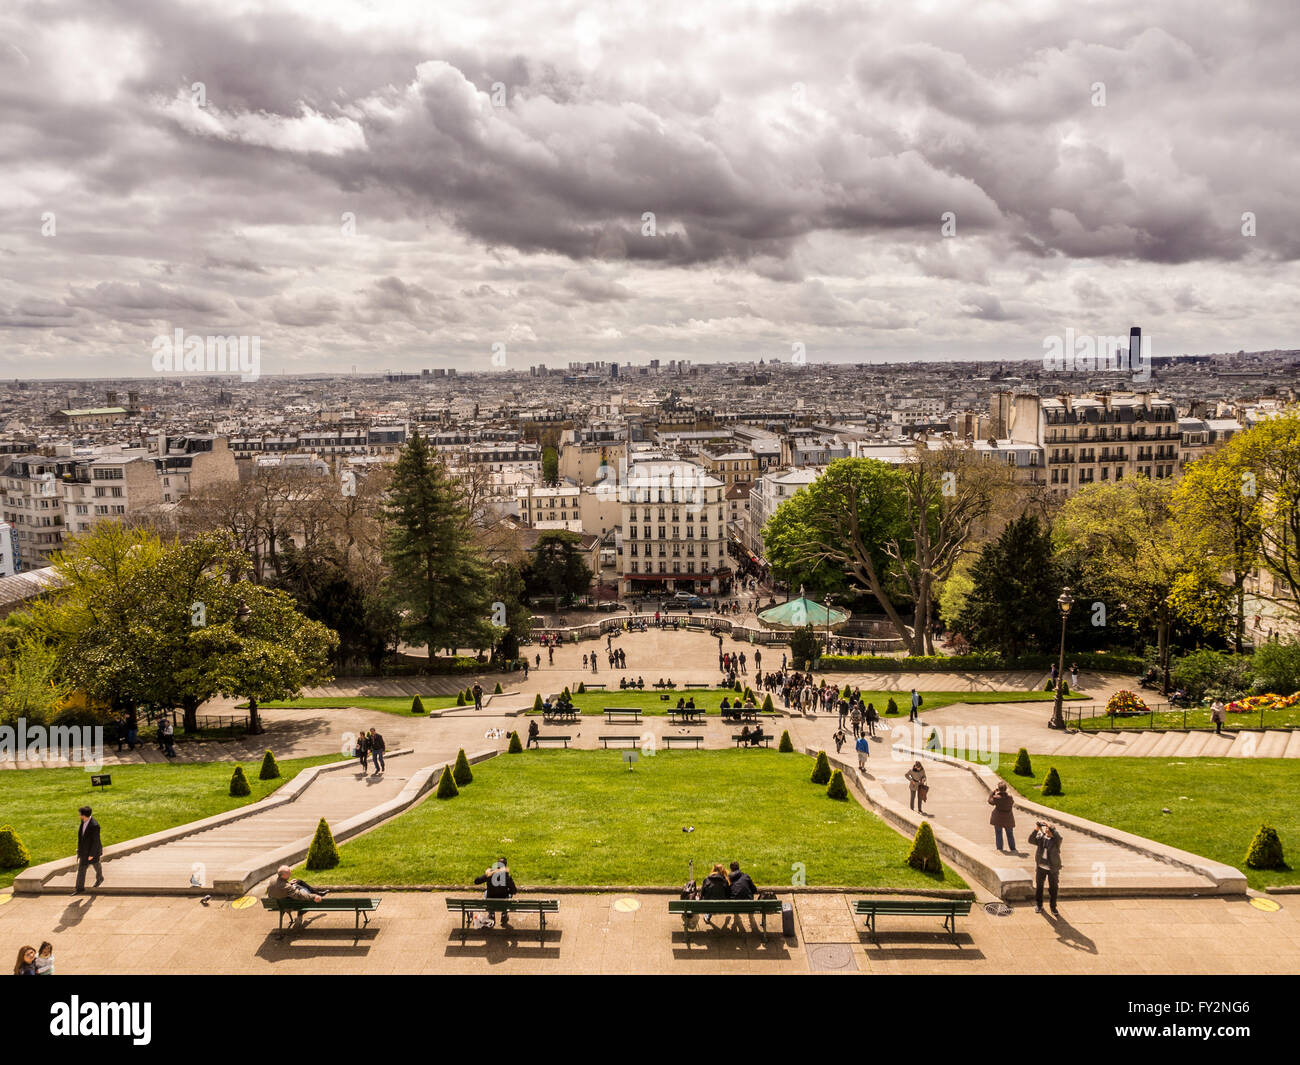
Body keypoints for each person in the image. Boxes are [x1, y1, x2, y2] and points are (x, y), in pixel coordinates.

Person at [1028, 822, 1063, 916]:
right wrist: (1037, 828)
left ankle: (1053, 907)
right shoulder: (1041, 838)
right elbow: (1031, 840)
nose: (1047, 830)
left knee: (1054, 888)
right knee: (1039, 887)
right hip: (1041, 867)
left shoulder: (1056, 841)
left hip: (1053, 868)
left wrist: (1051, 828)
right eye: (1047, 829)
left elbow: (1059, 837)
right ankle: (1039, 905)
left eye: (1049, 829)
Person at [474, 858, 518, 927]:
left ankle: (491, 913)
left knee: (486, 892)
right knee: (509, 895)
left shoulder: (489, 874)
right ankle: (504, 913)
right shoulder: (507, 876)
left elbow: (476, 881)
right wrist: (507, 891)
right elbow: (514, 891)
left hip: (491, 900)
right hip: (503, 901)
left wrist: (486, 873)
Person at [75, 805, 104, 894]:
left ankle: (100, 878)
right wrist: (79, 850)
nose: (79, 815)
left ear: (84, 815)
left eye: (80, 814)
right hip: (84, 851)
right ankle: (79, 889)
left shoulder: (94, 825)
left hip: (92, 851)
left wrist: (92, 854)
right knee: (81, 870)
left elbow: (96, 841)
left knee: (96, 865)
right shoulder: (83, 821)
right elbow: (81, 837)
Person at [988, 781, 1017, 853]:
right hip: (1008, 818)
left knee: (998, 833)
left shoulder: (996, 798)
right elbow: (1011, 801)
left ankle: (1000, 849)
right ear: (1006, 789)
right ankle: (1013, 849)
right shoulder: (1010, 798)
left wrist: (993, 793)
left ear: (998, 789)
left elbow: (990, 801)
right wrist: (1005, 793)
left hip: (998, 819)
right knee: (1010, 834)